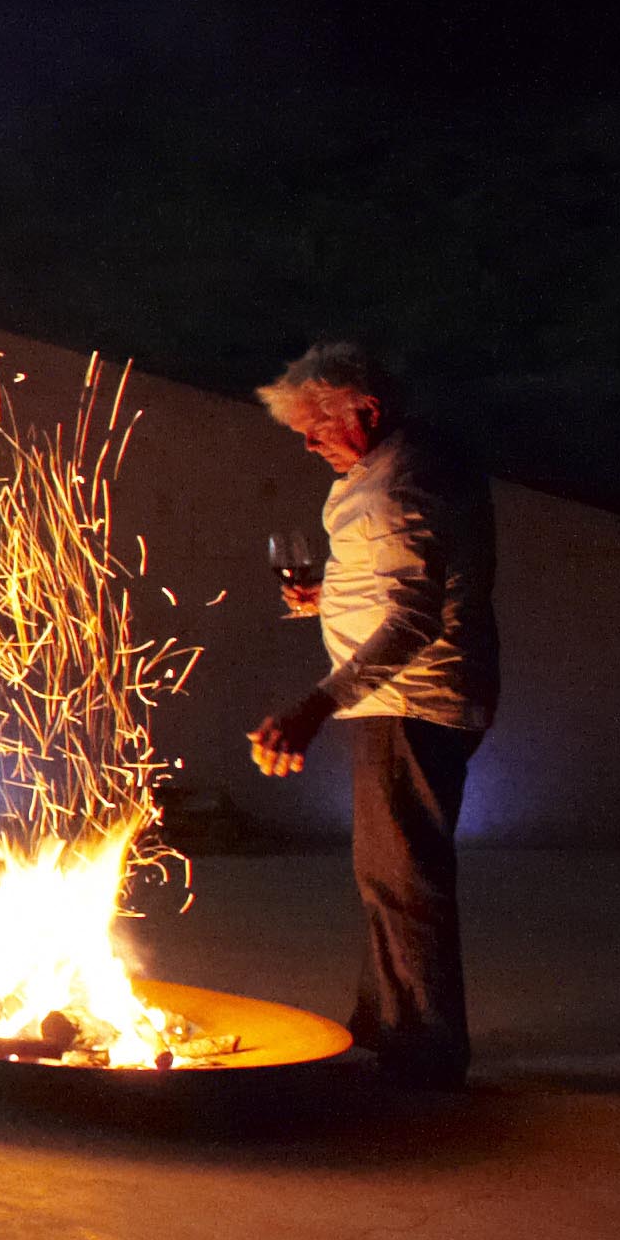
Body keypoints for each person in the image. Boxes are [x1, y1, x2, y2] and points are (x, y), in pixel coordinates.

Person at [245, 343, 499, 1088]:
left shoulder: (395, 486)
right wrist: (330, 595)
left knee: (401, 880)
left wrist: (314, 704)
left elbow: (412, 620)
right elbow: (416, 574)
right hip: (419, 699)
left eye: (317, 424)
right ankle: (383, 1026)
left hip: (407, 701)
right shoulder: (411, 463)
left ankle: (421, 1057)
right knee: (388, 875)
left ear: (366, 409)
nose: (305, 440)